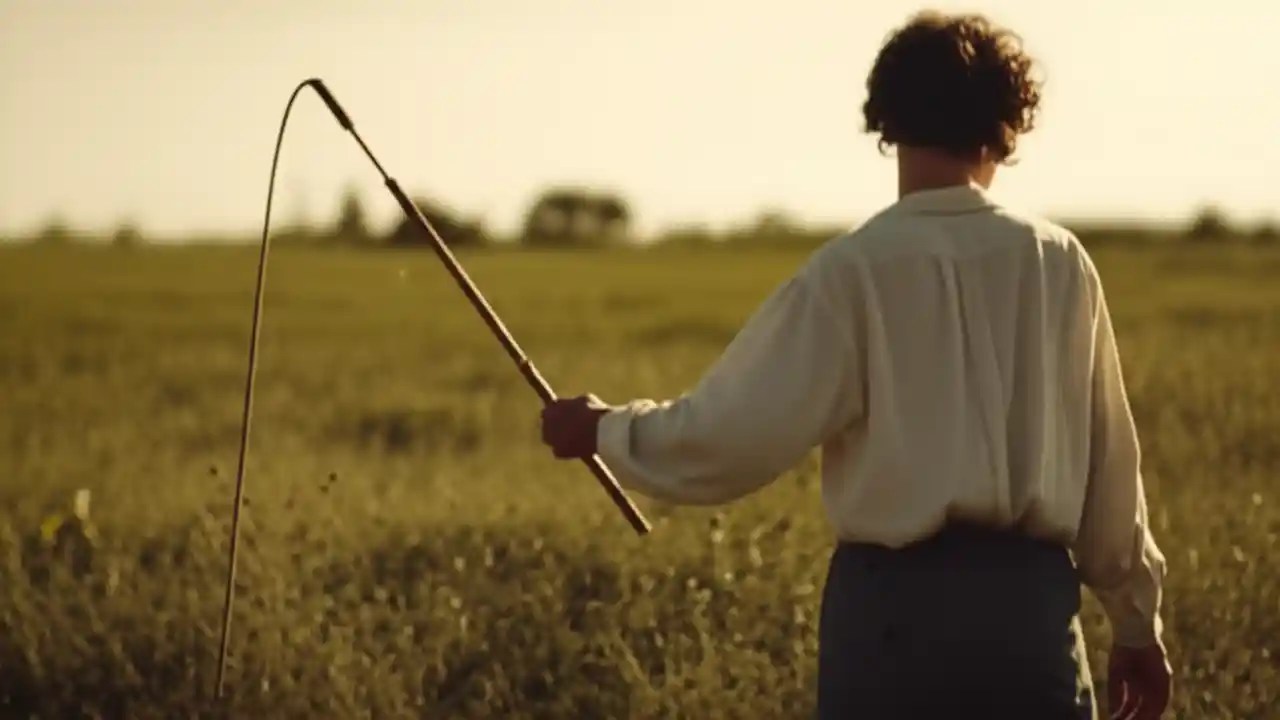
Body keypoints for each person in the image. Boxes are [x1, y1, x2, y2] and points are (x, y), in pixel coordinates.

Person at [539, 10, 1170, 719]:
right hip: (1027, 624)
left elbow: (730, 432)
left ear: (887, 122)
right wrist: (1137, 625)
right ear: (1005, 125)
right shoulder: (1059, 264)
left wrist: (603, 432)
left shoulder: (850, 272)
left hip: (890, 623)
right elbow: (1113, 479)